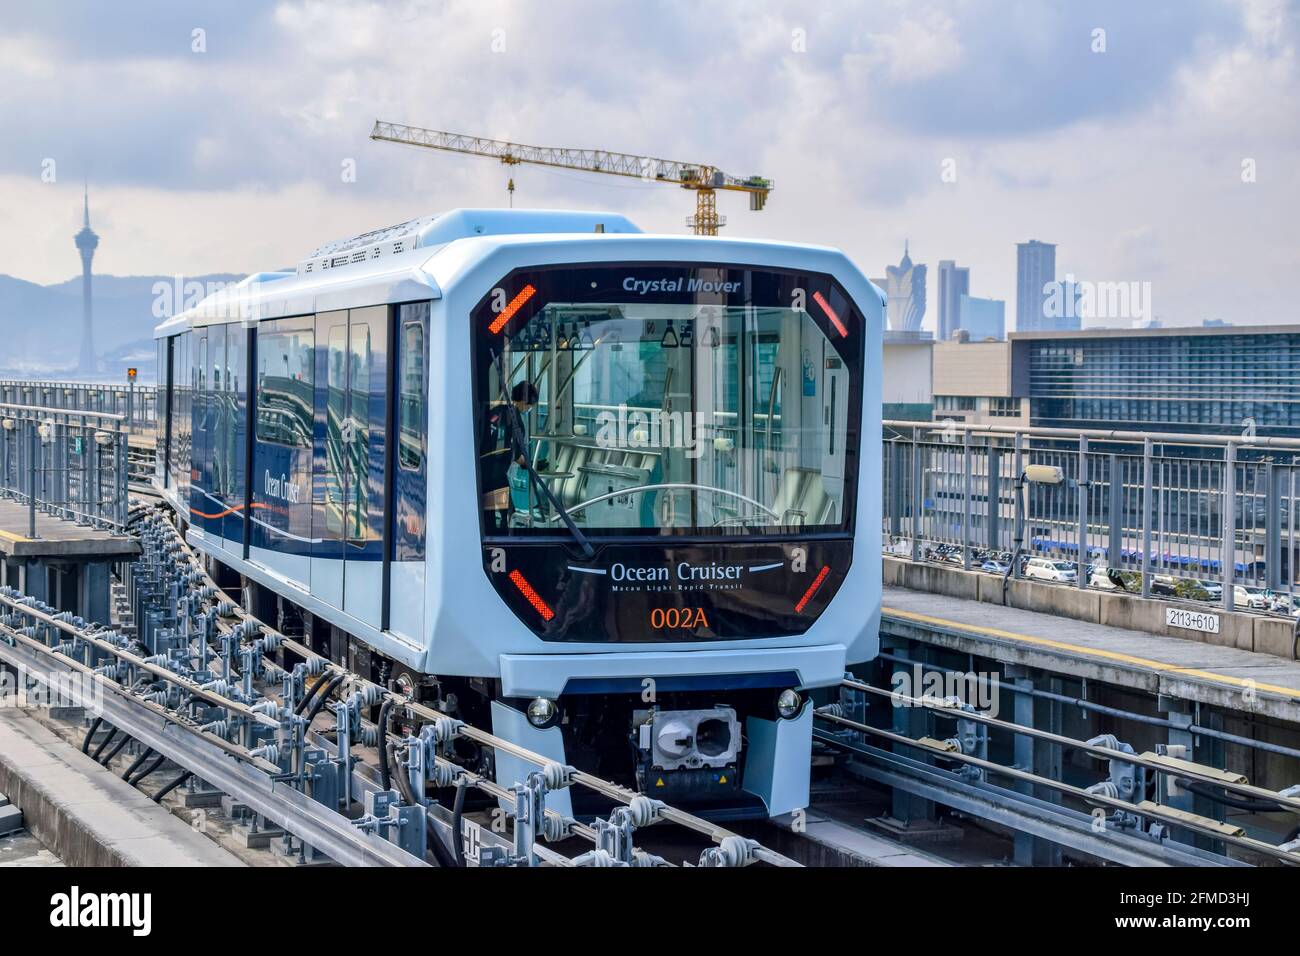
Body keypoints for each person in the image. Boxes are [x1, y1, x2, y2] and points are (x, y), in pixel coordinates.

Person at [480, 381, 545, 531]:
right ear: (523, 402)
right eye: (529, 406)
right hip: (496, 472)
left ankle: (493, 533)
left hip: (484, 468)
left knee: (489, 510)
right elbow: (513, 449)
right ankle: (502, 537)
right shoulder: (515, 420)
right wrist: (528, 463)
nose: (528, 409)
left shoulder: (497, 411)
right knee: (507, 511)